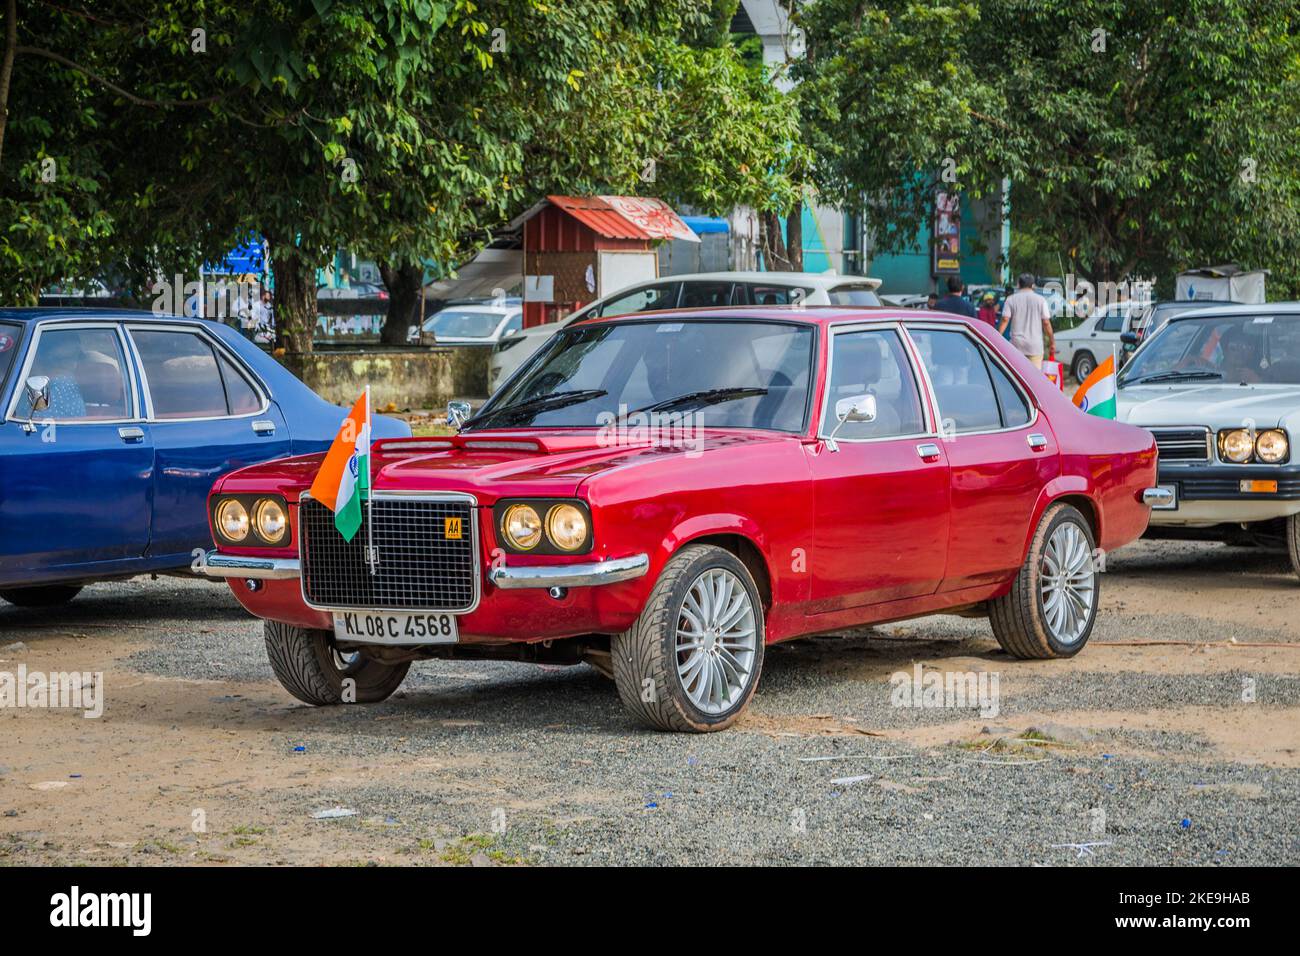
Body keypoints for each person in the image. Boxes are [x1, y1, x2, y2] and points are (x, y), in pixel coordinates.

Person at [998, 273, 1055, 368]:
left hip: (1017, 346)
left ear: (1018, 285)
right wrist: (1052, 342)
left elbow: (1005, 319)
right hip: (1035, 347)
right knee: (1033, 378)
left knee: (1016, 376)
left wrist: (997, 337)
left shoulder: (1011, 299)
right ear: (1033, 286)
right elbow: (1046, 322)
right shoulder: (1041, 300)